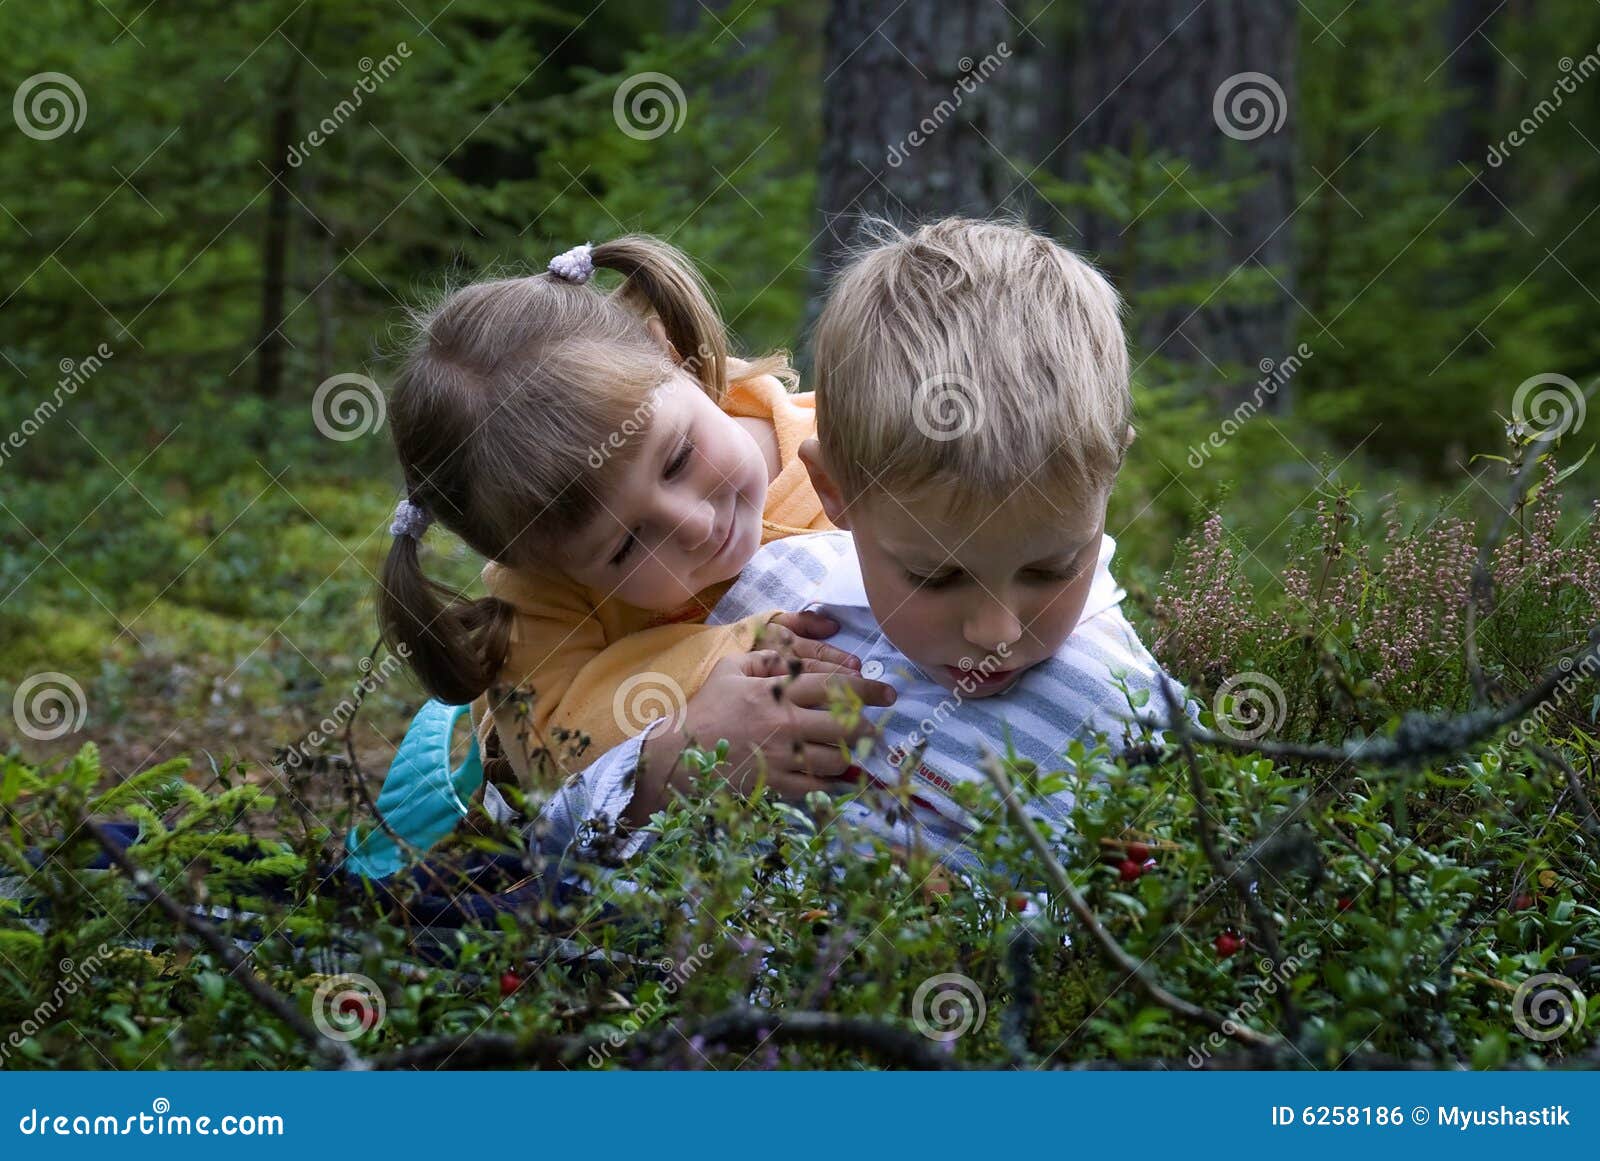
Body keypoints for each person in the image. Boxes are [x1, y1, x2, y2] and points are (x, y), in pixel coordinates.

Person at [529, 217, 1196, 874]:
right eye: (934, 576)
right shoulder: (770, 600)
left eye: (1051, 567)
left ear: (1111, 474)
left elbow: (1195, 917)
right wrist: (668, 768)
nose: (996, 629)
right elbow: (545, 858)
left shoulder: (1127, 710)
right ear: (832, 489)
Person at [373, 236, 892, 839]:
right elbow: (541, 757)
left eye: (676, 459)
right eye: (625, 546)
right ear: (535, 563)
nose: (694, 525)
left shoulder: (861, 444)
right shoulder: (543, 601)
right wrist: (692, 737)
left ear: (669, 355)